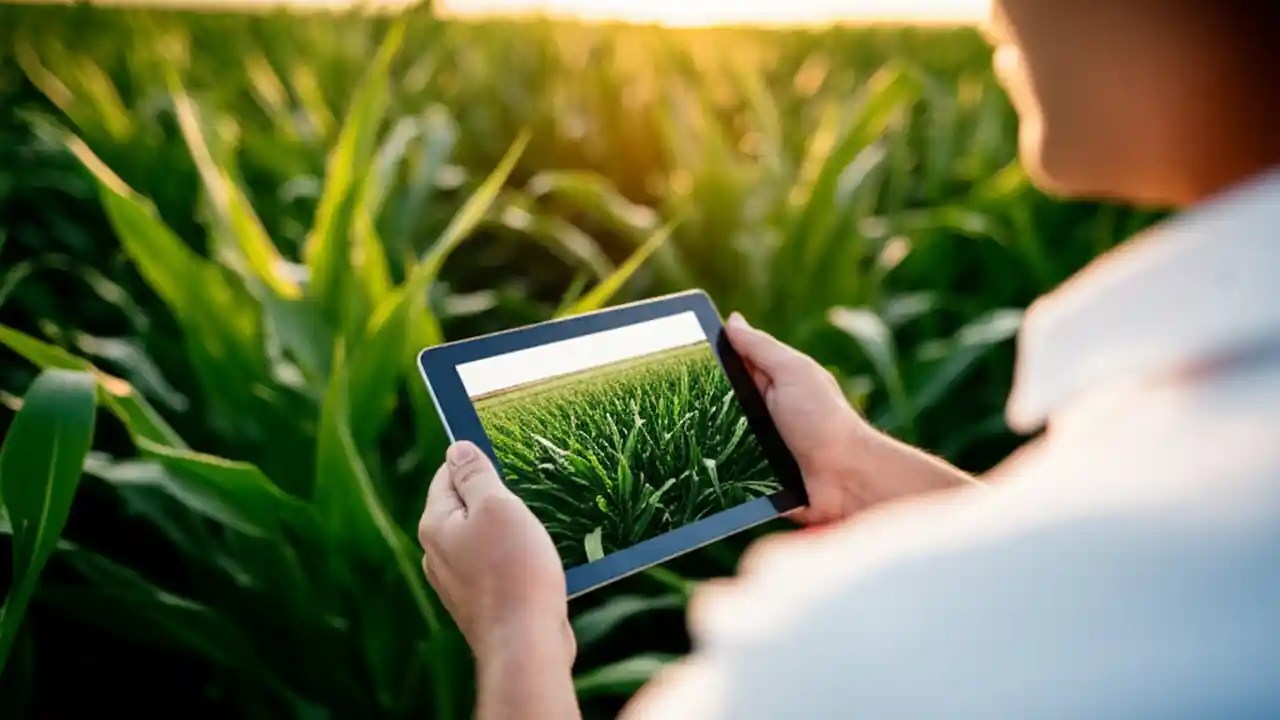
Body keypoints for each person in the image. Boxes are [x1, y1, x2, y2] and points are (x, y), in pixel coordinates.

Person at [417, 0, 1280, 716]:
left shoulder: (851, 662)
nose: (989, 12)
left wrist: (516, 635)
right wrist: (860, 468)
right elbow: (1105, 594)